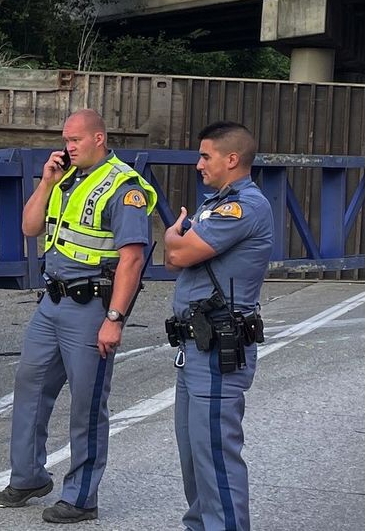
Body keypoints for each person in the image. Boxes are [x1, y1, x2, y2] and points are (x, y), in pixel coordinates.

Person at [0, 108, 156, 523]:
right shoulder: (65, 179)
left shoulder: (124, 187)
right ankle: (28, 476)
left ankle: (81, 498)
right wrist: (47, 181)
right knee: (30, 385)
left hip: (91, 307)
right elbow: (30, 227)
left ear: (99, 138)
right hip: (52, 303)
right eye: (66, 140)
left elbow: (132, 260)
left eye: (75, 140)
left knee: (87, 403)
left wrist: (115, 318)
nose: (68, 147)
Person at [164, 121, 271, 531]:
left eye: (205, 156)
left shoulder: (244, 207)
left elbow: (179, 255)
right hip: (195, 345)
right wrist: (178, 247)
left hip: (217, 349)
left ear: (231, 159)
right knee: (194, 454)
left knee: (214, 456)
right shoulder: (216, 204)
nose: (198, 164)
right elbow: (176, 258)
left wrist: (173, 239)